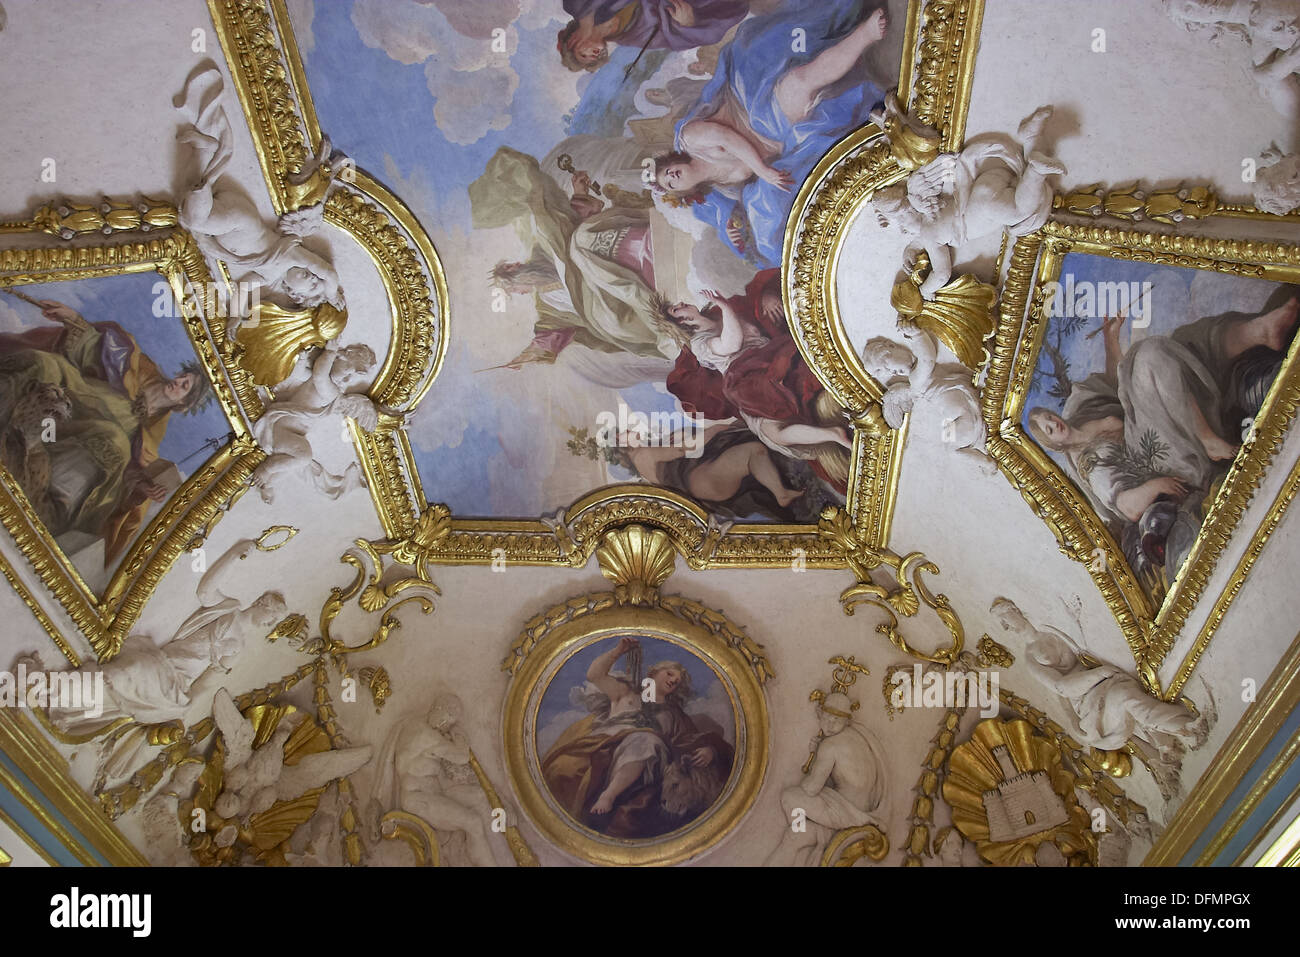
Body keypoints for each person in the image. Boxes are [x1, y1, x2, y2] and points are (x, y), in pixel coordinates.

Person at [654, 1, 888, 266]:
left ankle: (865, 34)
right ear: (686, 192)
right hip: (781, 141)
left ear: (672, 161)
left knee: (798, 84)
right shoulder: (722, 187)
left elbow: (729, 139)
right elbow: (742, 211)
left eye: (667, 172)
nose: (671, 176)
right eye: (670, 183)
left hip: (754, 109)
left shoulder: (691, 140)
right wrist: (738, 229)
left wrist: (763, 171)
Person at [0, 297, 213, 563]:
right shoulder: (141, 368)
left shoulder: (149, 434)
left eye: (185, 388)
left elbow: (132, 469)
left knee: (115, 443)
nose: (179, 383)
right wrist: (73, 320)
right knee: (45, 363)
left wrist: (145, 487)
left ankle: (41, 503)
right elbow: (98, 348)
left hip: (86, 430)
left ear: (183, 404)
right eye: (183, 378)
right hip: (77, 390)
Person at [473, 148, 680, 364]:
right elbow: (549, 335)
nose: (521, 293)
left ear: (513, 268)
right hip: (604, 301)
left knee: (581, 242)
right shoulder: (546, 304)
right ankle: (663, 320)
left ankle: (649, 256)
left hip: (599, 260)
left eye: (513, 288)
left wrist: (580, 193)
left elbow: (563, 220)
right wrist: (530, 354)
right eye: (514, 293)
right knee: (613, 323)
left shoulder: (542, 249)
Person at [541, 636, 732, 838]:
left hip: (647, 763)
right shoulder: (625, 692)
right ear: (653, 673)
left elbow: (690, 742)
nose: (673, 681)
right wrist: (617, 651)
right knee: (564, 770)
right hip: (603, 749)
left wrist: (710, 750)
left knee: (645, 740)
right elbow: (594, 674)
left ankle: (609, 796)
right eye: (669, 674)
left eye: (676, 682)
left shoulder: (674, 714)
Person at [661, 269, 852, 464]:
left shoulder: (715, 312)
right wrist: (725, 307)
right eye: (675, 309)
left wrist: (764, 297)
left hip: (769, 354)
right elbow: (731, 344)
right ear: (681, 321)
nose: (680, 304)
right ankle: (832, 435)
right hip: (744, 376)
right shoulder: (698, 343)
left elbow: (753, 302)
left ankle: (833, 431)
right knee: (773, 433)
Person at [765, 691, 890, 866]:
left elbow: (811, 789)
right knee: (792, 840)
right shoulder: (858, 737)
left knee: (790, 796)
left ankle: (800, 829)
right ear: (820, 714)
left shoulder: (830, 745)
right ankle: (801, 832)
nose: (830, 724)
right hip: (858, 805)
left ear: (847, 721)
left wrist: (817, 755)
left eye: (837, 720)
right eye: (827, 718)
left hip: (846, 811)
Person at [557, 0, 749, 72]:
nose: (593, 56)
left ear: (573, 41)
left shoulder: (580, 7)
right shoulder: (629, 37)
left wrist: (586, 22)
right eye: (591, 61)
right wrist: (687, 23)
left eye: (583, 55)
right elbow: (672, 39)